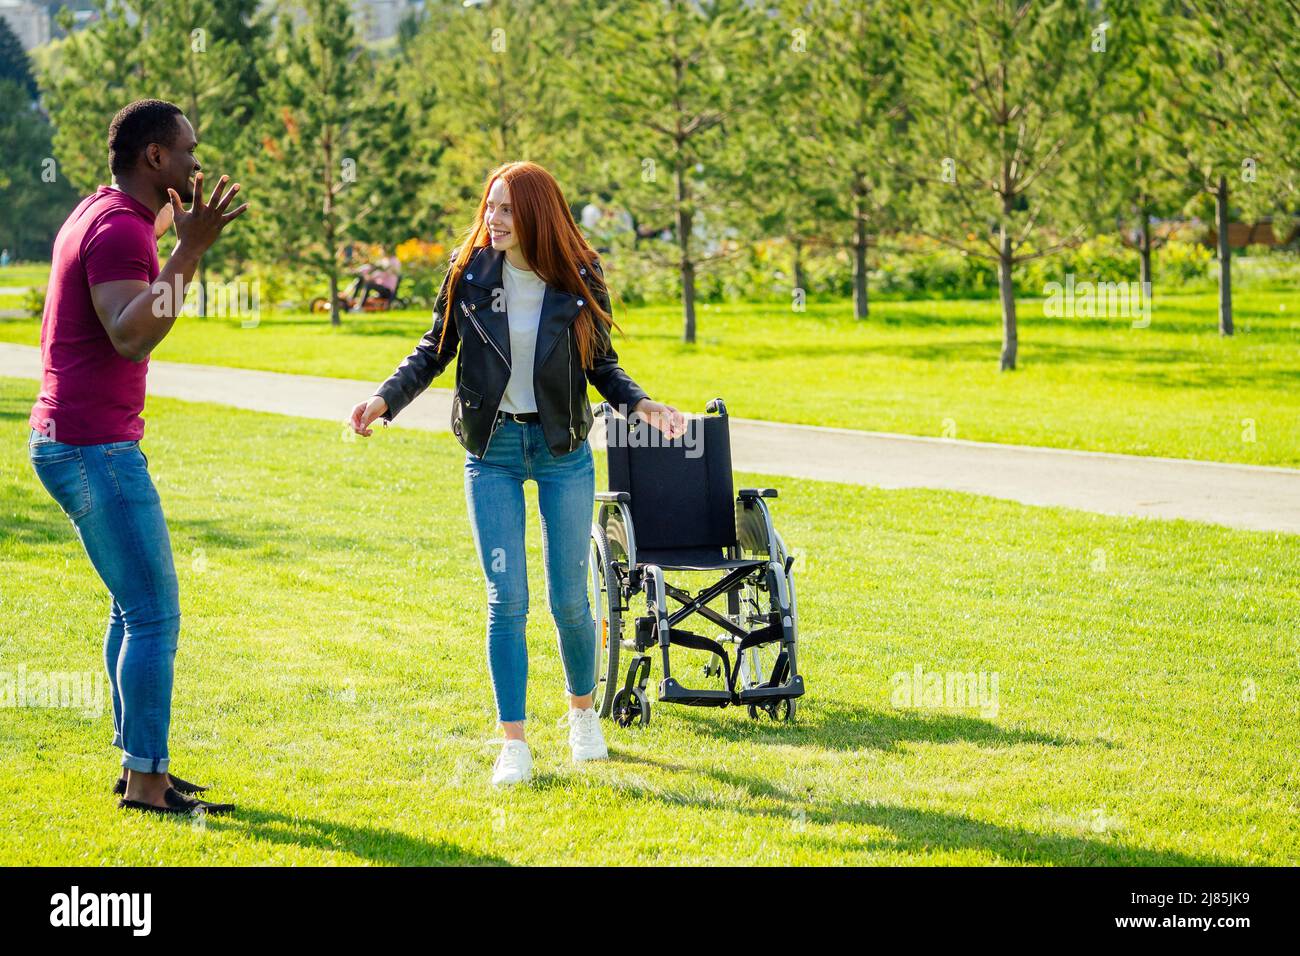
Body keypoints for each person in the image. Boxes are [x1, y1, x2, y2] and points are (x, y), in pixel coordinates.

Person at [349, 161, 685, 786]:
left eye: (505, 209)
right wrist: (384, 399)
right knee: (508, 600)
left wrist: (641, 404)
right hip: (492, 452)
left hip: (561, 451)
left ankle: (582, 716)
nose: (492, 220)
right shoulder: (468, 274)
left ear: (535, 214)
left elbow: (602, 366)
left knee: (569, 599)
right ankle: (515, 744)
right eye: (489, 207)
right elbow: (434, 347)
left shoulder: (579, 275)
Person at [27, 99, 247, 817]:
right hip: (93, 447)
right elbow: (130, 336)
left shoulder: (100, 209)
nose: (196, 160)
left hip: (71, 440)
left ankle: (137, 768)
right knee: (153, 614)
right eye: (188, 149)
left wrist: (179, 238)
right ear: (154, 157)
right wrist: (189, 251)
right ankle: (149, 786)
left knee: (132, 610)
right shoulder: (122, 230)